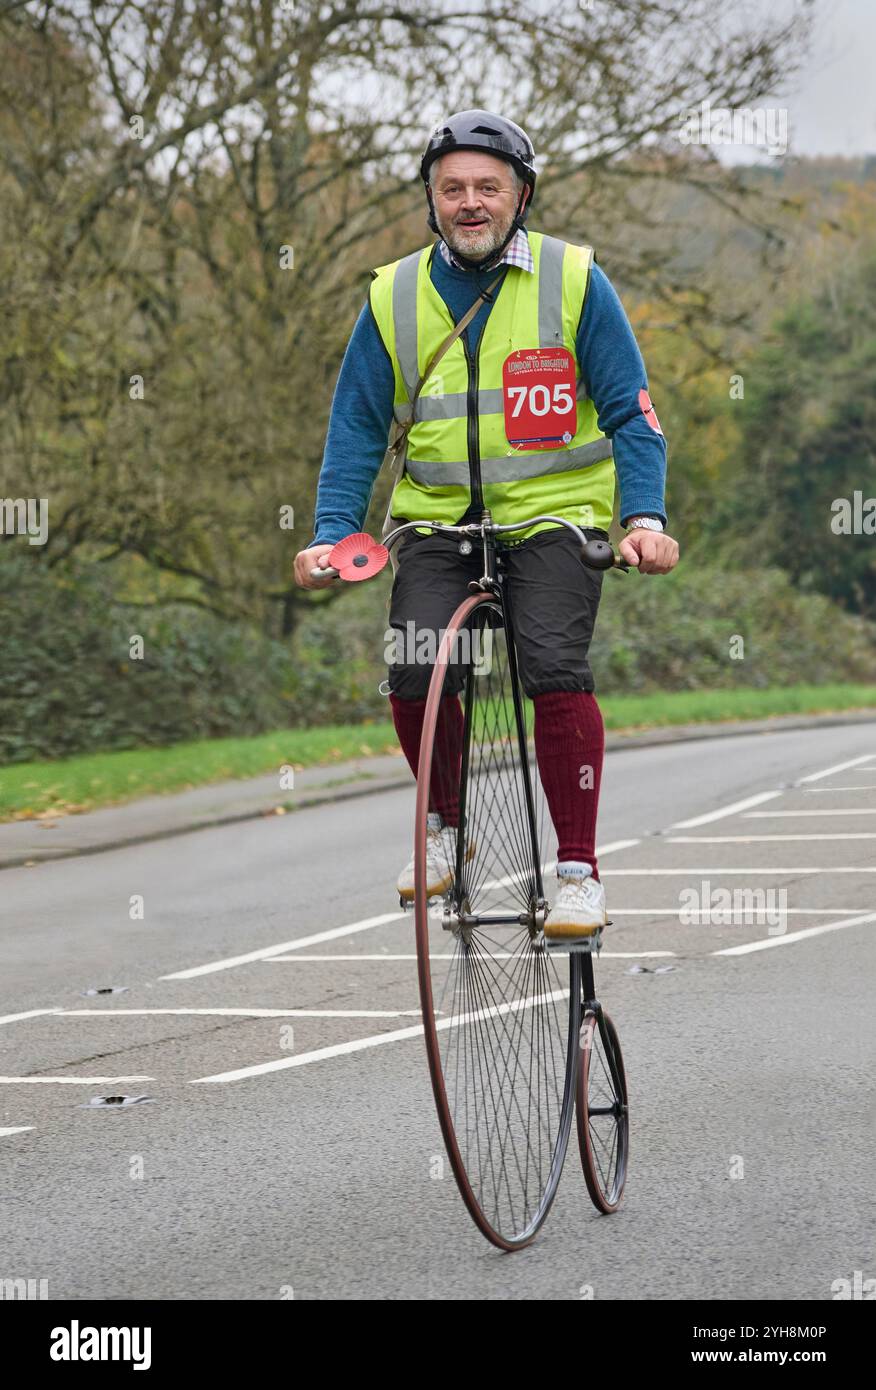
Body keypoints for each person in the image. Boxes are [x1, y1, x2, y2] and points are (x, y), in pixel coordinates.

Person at [294, 111, 679, 937]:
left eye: (487, 187)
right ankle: (445, 830)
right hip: (436, 523)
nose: (471, 203)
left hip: (553, 516)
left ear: (521, 196)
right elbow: (357, 428)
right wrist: (332, 533)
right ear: (431, 203)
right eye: (453, 189)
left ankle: (577, 871)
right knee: (414, 666)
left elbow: (632, 415)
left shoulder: (574, 280)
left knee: (553, 667)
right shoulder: (392, 295)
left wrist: (642, 517)